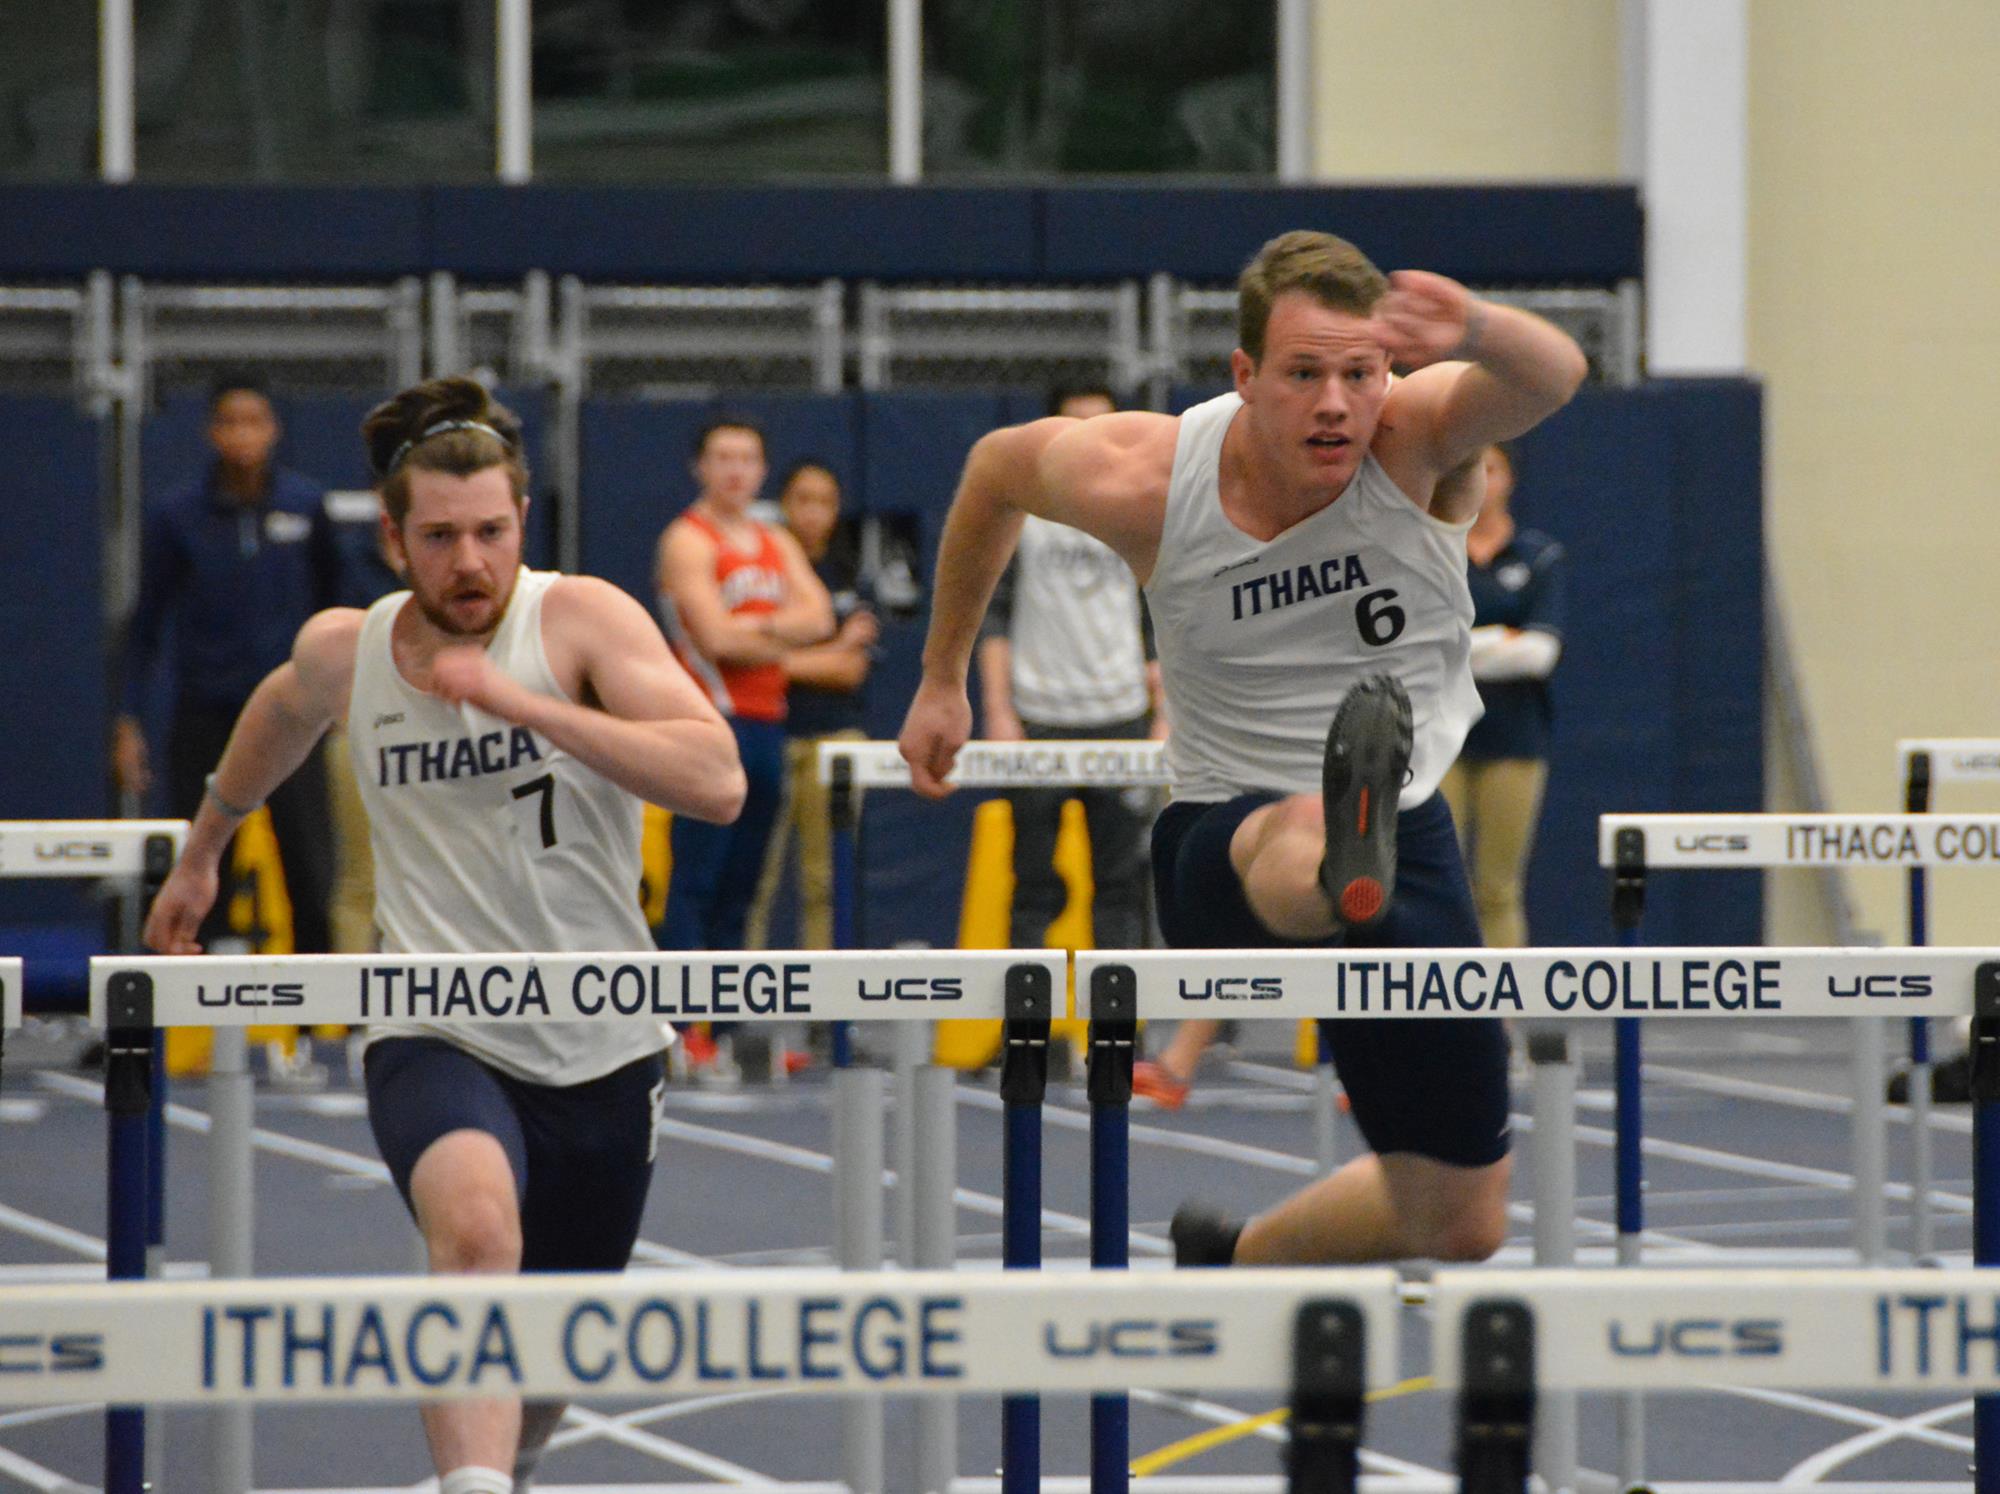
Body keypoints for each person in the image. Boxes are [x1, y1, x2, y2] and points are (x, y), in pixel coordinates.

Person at [899, 230, 1586, 1267]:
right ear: (1243, 375)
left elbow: (1555, 374)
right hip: (1222, 842)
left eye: (1358, 375)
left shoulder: (1413, 439)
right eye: (1302, 374)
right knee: (1306, 827)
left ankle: (1237, 1258)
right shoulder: (1147, 476)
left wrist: (1478, 326)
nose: (1334, 405)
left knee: (1458, 1219)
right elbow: (993, 473)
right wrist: (941, 677)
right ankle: (1336, 854)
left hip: (1406, 835)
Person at [142, 377, 747, 1494]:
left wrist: (532, 708)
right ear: (391, 537)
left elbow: (715, 780)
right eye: (439, 538)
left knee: (556, 1341)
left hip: (602, 1036)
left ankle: (499, 1468)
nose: (469, 563)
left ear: (523, 520)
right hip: (433, 1021)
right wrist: (202, 851)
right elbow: (274, 718)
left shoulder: (578, 619)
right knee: (472, 1234)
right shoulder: (349, 646)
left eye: (491, 533)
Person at [116, 374, 339, 959]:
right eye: (230, 422)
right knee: (201, 869)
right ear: (212, 432)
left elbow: (339, 610)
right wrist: (128, 720)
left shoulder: (306, 506)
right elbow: (145, 623)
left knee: (310, 872)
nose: (243, 435)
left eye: (255, 421)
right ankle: (194, 1037)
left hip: (295, 716)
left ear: (274, 430)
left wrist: (343, 703)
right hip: (205, 717)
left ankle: (328, 1039)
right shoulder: (177, 516)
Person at [977, 385, 1165, 958]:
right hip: (1040, 721)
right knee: (1031, 886)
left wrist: (1166, 717)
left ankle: (1120, 1041)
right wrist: (1000, 712)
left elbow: (1164, 622)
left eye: (1101, 426)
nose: (1088, 439)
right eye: (1073, 425)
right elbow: (996, 620)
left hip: (1122, 718)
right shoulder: (1020, 517)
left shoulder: (1142, 513)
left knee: (1122, 886)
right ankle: (1023, 1039)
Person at [746, 460, 879, 951]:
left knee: (826, 879)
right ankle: (741, 1014)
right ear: (783, 504)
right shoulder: (758, 571)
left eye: (824, 501)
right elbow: (743, 658)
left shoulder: (849, 575)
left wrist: (776, 658)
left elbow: (850, 671)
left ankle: (828, 1013)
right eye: (802, 499)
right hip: (769, 732)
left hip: (835, 735)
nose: (812, 512)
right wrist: (829, 650)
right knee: (756, 874)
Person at [1437, 443, 1567, 948]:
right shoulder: (1433, 550)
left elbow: (1539, 654)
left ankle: (1501, 1022)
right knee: (1440, 886)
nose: (1480, 480)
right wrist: (1501, 639)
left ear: (1509, 478)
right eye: (1467, 467)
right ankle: (1438, 1020)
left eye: (1490, 468)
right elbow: (1419, 647)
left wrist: (1461, 646)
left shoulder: (1539, 556)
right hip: (1441, 740)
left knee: (1498, 889)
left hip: (1515, 740)